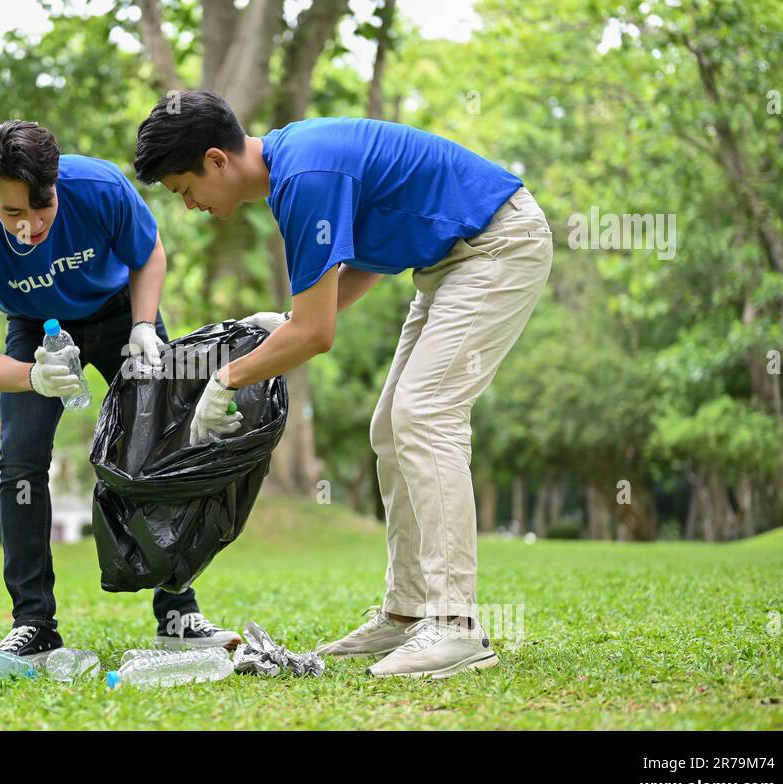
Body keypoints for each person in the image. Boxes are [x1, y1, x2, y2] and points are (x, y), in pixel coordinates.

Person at [133, 92, 553, 678]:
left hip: (497, 245)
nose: (190, 206)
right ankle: (409, 614)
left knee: (424, 415)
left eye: (185, 190)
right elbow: (366, 263)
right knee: (391, 426)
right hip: (445, 265)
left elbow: (317, 335)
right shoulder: (293, 169)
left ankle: (455, 625)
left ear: (216, 161)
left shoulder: (304, 177)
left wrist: (225, 381)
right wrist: (286, 324)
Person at [0, 120, 240, 661]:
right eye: (12, 214)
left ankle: (178, 609)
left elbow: (148, 254)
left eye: (42, 207)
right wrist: (32, 375)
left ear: (56, 181)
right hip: (37, 329)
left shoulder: (99, 187)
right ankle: (33, 621)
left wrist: (145, 325)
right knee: (21, 463)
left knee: (164, 447)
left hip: (124, 309)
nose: (30, 226)